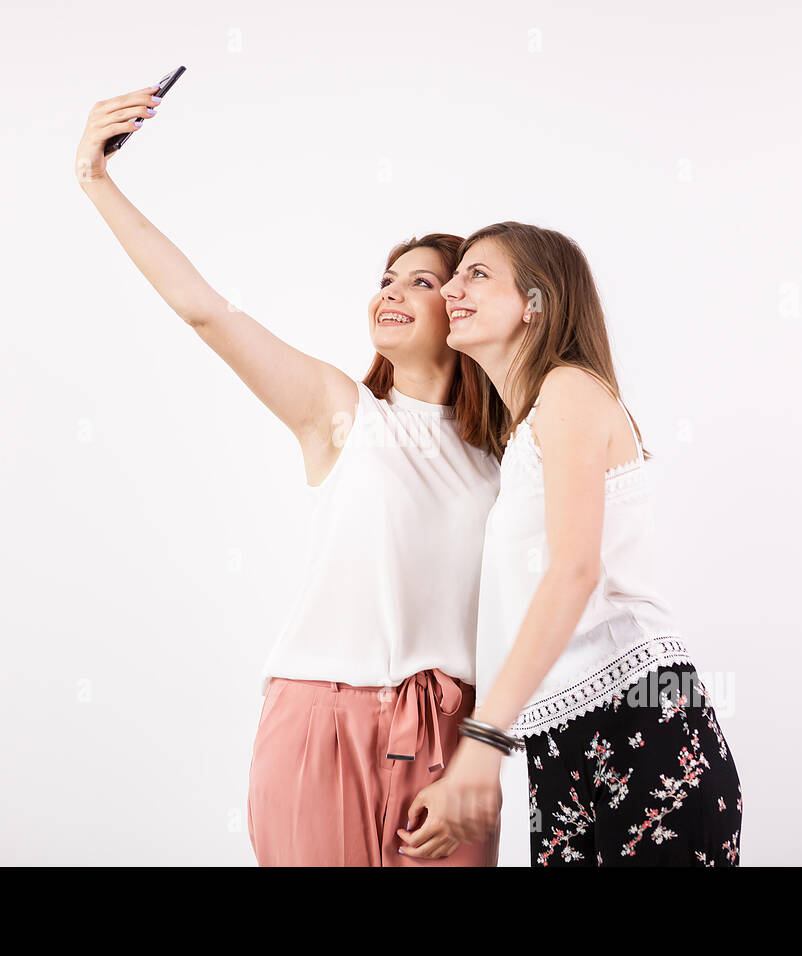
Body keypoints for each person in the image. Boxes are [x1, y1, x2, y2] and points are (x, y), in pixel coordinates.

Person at [74, 86, 502, 866]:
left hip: (451, 737)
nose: (392, 292)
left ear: (464, 307)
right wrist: (97, 180)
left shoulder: (507, 455)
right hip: (318, 722)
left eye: (423, 281)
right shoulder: (342, 412)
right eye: (388, 277)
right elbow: (206, 310)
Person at [396, 221, 743, 866]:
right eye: (455, 276)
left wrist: (481, 742)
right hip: (563, 740)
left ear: (536, 301)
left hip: (642, 719)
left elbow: (573, 572)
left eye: (478, 274)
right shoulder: (526, 431)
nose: (452, 291)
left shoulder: (570, 389)